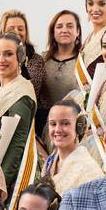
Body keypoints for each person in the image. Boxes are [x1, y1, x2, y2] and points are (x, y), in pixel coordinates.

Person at [0, 33, 39, 210]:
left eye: (8, 54)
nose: (1, 60)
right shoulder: (0, 87)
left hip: (10, 175)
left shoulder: (22, 92)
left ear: (19, 57)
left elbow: (17, 144)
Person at [40, 98, 106, 196]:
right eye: (53, 124)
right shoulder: (51, 159)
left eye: (65, 123)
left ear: (79, 126)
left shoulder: (89, 173)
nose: (57, 129)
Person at [38, 10, 83, 146]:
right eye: (59, 26)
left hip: (72, 128)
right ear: (53, 32)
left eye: (70, 26)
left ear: (78, 31)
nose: (64, 30)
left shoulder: (84, 61)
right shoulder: (42, 60)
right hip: (47, 127)